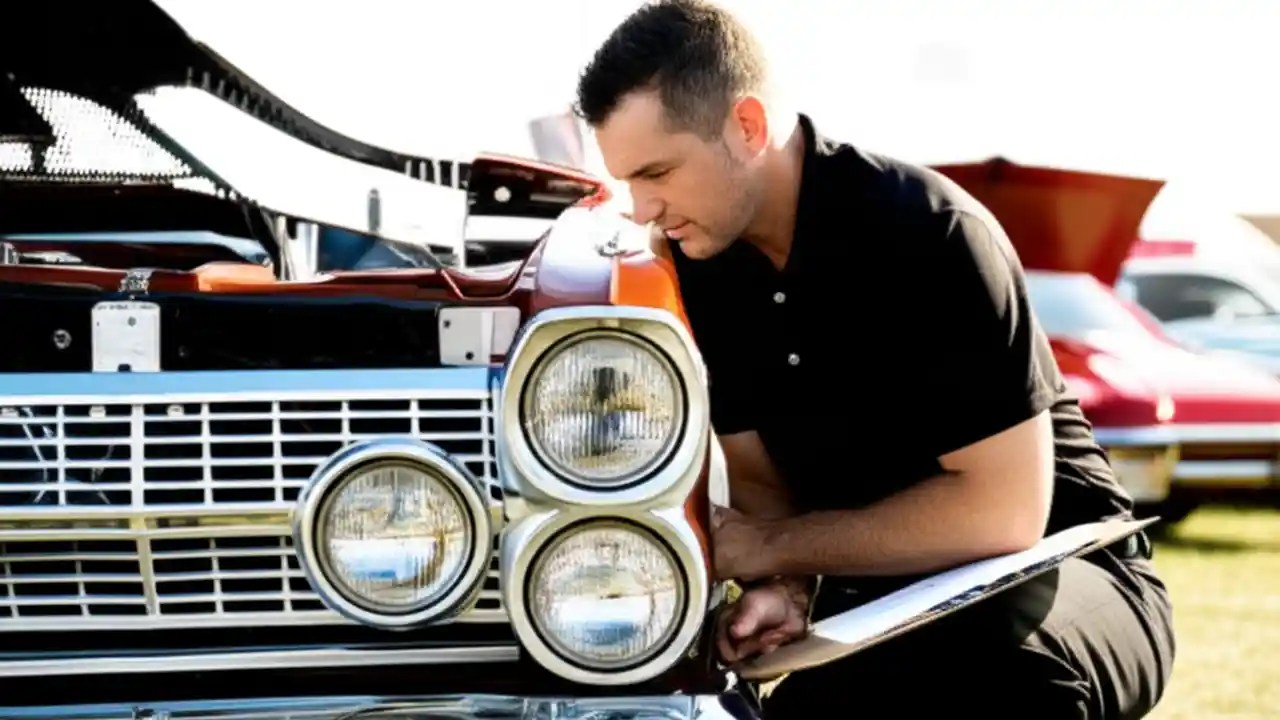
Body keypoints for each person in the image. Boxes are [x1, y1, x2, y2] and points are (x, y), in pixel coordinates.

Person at [572, 1, 1176, 717]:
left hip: (1068, 565)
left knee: (997, 682)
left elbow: (1004, 514)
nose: (642, 209)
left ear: (748, 126)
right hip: (885, 607)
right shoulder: (701, 266)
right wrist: (784, 587)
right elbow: (767, 487)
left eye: (659, 172)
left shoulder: (929, 230)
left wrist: (768, 546)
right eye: (628, 182)